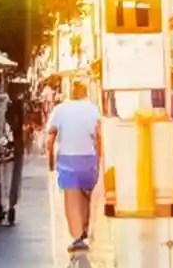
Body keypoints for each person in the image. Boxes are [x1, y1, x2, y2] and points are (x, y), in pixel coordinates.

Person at [46, 80, 101, 253]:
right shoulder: (93, 109)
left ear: (71, 92)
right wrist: (99, 159)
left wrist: (50, 160)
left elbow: (50, 138)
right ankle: (84, 229)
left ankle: (77, 237)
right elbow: (99, 136)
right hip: (88, 158)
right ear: (85, 92)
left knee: (71, 198)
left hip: (67, 159)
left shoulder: (60, 109)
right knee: (86, 195)